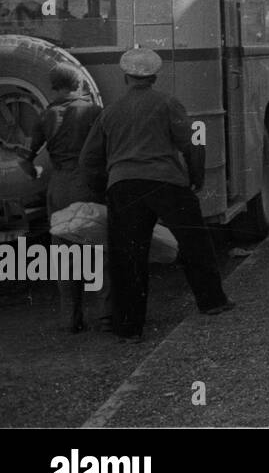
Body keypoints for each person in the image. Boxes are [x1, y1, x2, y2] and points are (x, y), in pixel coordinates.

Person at [78, 48, 233, 341]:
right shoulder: (168, 103)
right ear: (154, 77)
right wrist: (195, 178)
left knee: (128, 257)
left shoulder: (109, 112)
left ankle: (129, 328)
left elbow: (88, 160)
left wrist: (107, 187)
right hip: (167, 182)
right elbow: (193, 144)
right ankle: (213, 302)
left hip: (123, 186)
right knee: (194, 241)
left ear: (125, 77)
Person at [20, 64, 103, 332]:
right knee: (100, 250)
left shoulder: (46, 115)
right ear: (78, 84)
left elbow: (26, 161)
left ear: (54, 87)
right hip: (88, 185)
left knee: (66, 257)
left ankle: (71, 321)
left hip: (59, 188)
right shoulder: (94, 111)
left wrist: (36, 172)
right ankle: (108, 317)